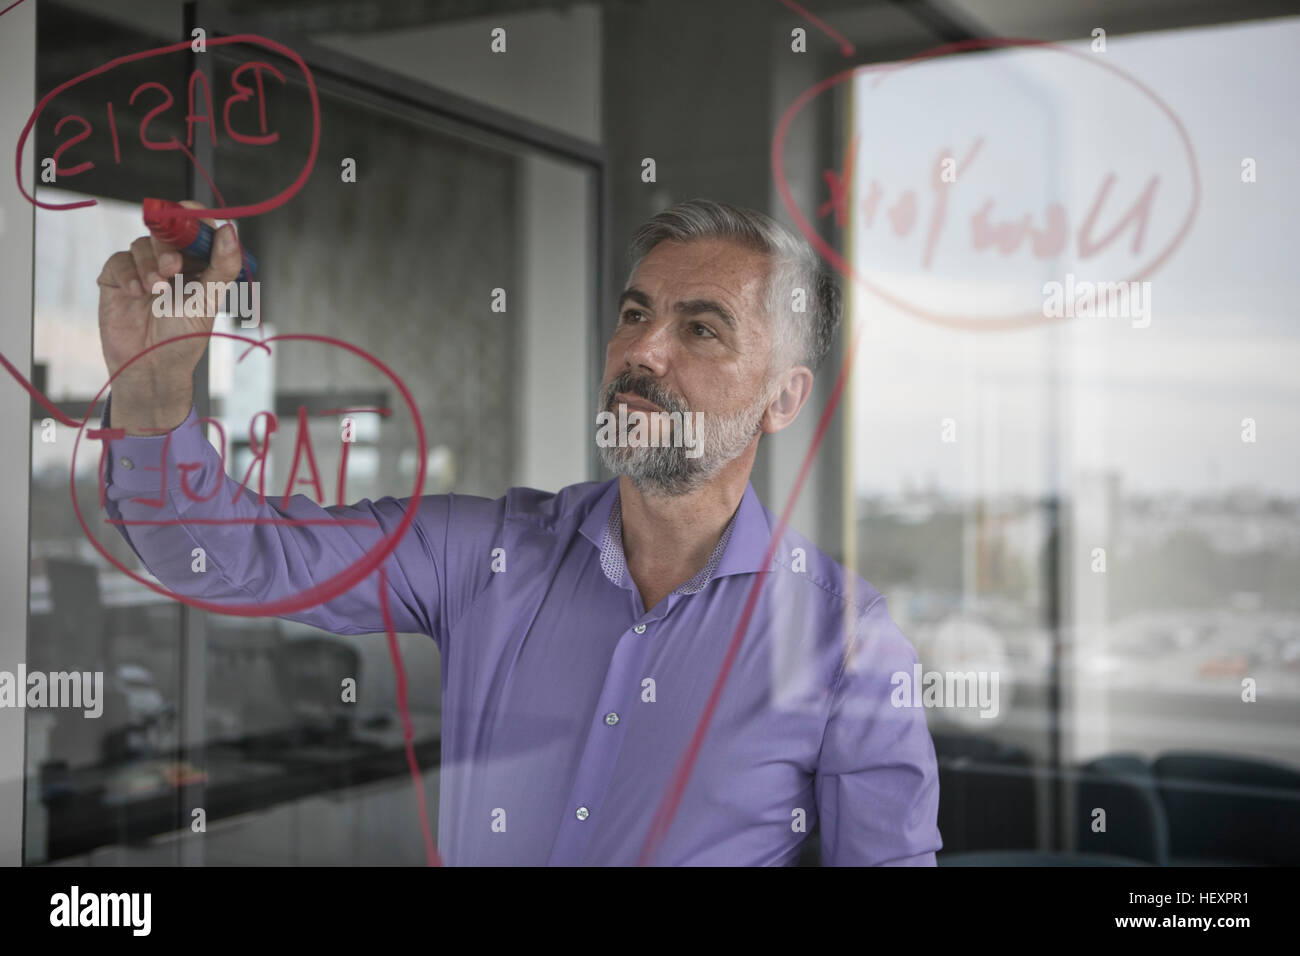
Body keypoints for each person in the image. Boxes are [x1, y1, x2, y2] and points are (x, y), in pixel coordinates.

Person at [95, 197, 942, 865]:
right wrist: (153, 391)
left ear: (783, 399)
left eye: (700, 328)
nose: (642, 350)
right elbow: (229, 557)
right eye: (635, 312)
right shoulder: (483, 554)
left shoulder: (845, 644)